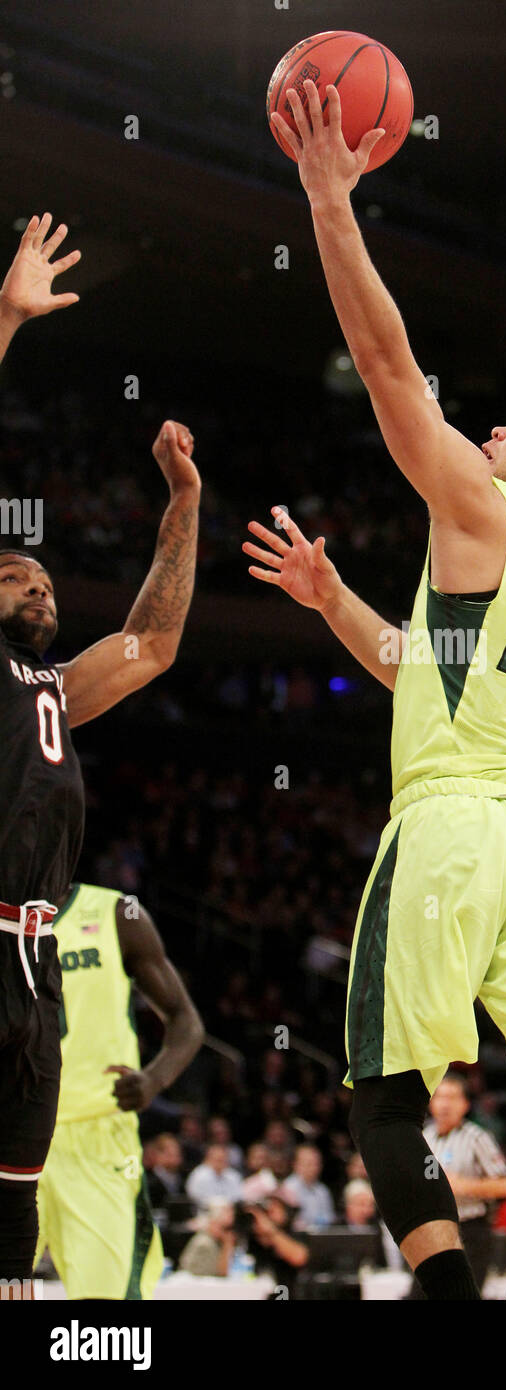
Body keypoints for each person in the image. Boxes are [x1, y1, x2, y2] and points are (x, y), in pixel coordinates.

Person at [247, 80, 506, 1302]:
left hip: (453, 827)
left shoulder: (485, 504)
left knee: (377, 1093)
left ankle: (447, 1297)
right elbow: (425, 669)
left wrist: (327, 203)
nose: (495, 427)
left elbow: (386, 366)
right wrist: (336, 606)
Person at [0, 214, 201, 1294]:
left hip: (31, 967)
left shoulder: (51, 688)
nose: (38, 584)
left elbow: (154, 641)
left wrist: (182, 505)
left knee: (15, 1217)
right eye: (13, 574)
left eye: (43, 576)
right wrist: (4, 319)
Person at [34, 883, 203, 1299]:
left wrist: (154, 1080)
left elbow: (186, 1022)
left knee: (106, 1318)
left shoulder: (117, 913)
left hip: (98, 1134)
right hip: (15, 1134)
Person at [407, 1072, 506, 1297]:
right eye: (440, 1097)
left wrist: (463, 1186)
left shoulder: (477, 1137)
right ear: (431, 1103)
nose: (445, 1104)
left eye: (452, 1098)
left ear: (465, 1104)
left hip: (470, 1230)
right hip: (430, 1230)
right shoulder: (424, 1137)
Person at [279, 1144, 335, 1230]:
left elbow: (330, 1218)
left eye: (317, 1164)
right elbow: (289, 1221)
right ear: (296, 1164)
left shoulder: (322, 1190)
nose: (314, 1168)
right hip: (296, 1236)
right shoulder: (288, 1188)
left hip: (321, 1236)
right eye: (309, 1163)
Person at [186, 1145, 244, 1212]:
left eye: (223, 1159)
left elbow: (238, 1198)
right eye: (217, 1159)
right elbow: (195, 1198)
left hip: (230, 1213)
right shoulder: (198, 1175)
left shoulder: (233, 1176)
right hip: (204, 1213)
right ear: (207, 1159)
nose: (220, 1162)